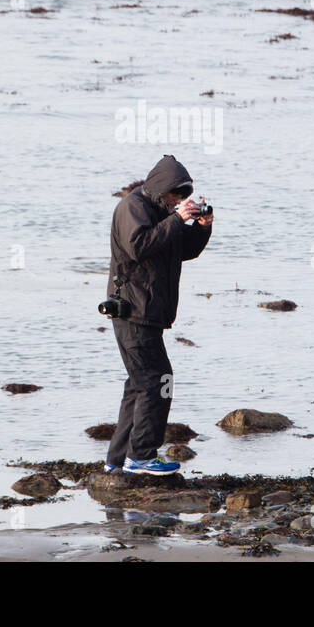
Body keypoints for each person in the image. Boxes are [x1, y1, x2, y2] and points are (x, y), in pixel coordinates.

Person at [103, 154, 213, 475]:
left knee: (139, 385)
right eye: (173, 195)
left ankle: (117, 460)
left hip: (148, 314)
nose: (177, 201)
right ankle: (142, 456)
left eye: (182, 196)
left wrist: (200, 228)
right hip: (132, 312)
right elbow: (139, 245)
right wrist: (177, 219)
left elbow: (182, 249)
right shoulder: (132, 208)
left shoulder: (163, 212)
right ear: (159, 188)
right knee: (158, 380)